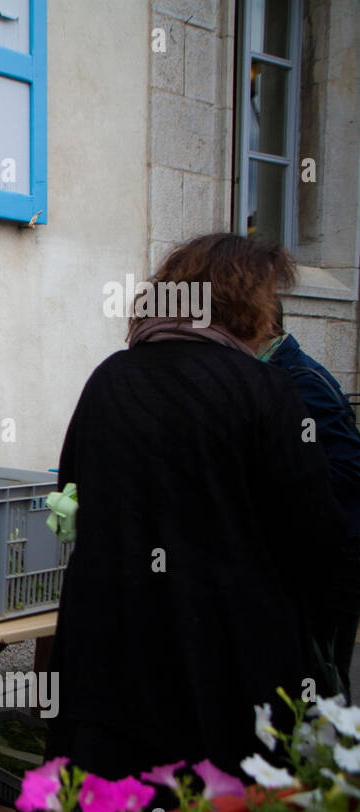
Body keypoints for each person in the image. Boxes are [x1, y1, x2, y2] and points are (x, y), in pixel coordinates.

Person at [47, 233, 345, 781]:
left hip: (114, 662)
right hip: (226, 669)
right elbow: (315, 538)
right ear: (247, 304)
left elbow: (72, 496)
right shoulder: (266, 390)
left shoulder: (110, 379)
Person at [255, 304, 360, 701]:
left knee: (323, 677)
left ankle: (329, 756)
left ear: (265, 323)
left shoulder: (300, 380)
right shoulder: (281, 373)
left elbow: (348, 468)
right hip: (321, 554)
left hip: (334, 557)